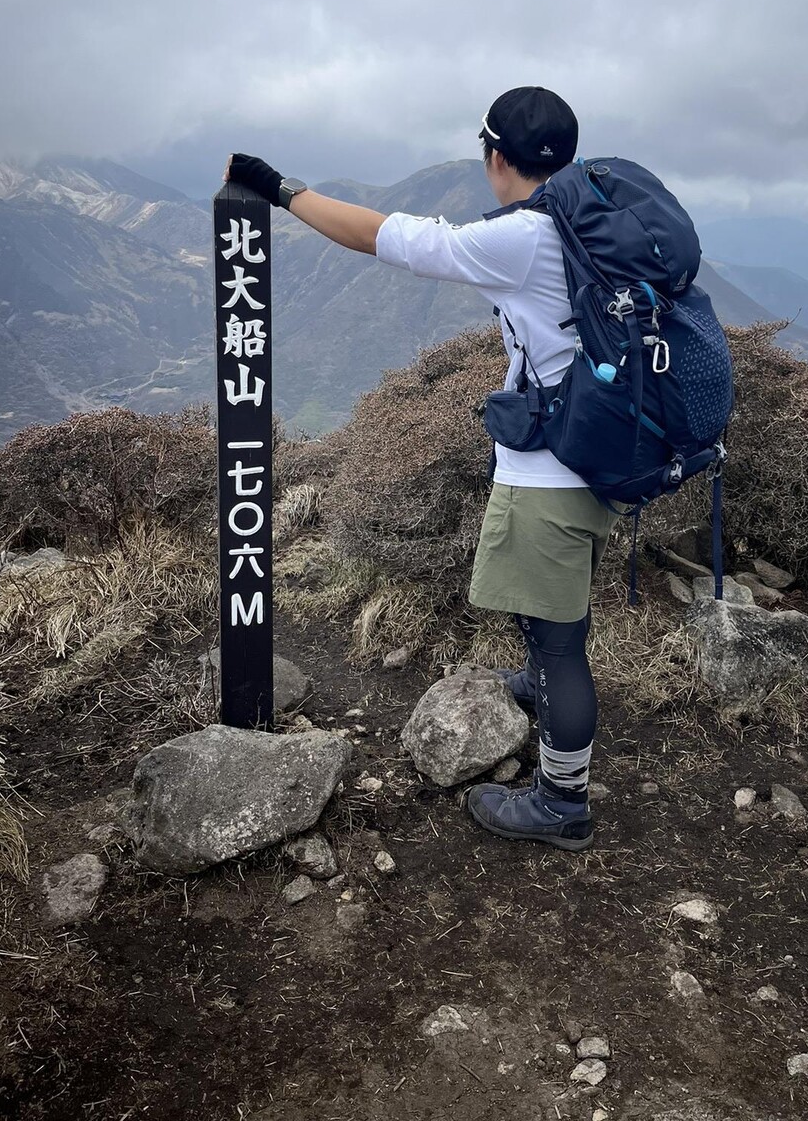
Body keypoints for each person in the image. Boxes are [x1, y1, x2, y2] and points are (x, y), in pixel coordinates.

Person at [225, 86, 622, 852]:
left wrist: (278, 188)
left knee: (560, 640)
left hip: (552, 474)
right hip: (598, 454)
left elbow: (381, 236)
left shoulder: (524, 236)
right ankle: (536, 681)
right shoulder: (595, 215)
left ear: (496, 158)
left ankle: (562, 802)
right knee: (551, 617)